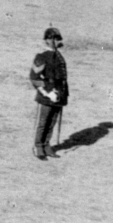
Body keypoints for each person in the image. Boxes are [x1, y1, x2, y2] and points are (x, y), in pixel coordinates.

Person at [30, 27, 69, 159]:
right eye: (53, 39)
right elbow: (34, 78)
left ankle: (47, 145)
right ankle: (38, 146)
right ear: (47, 40)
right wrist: (47, 93)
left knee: (52, 122)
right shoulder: (41, 56)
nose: (56, 41)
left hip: (60, 93)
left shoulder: (59, 56)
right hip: (47, 94)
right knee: (43, 122)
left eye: (58, 39)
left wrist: (62, 93)